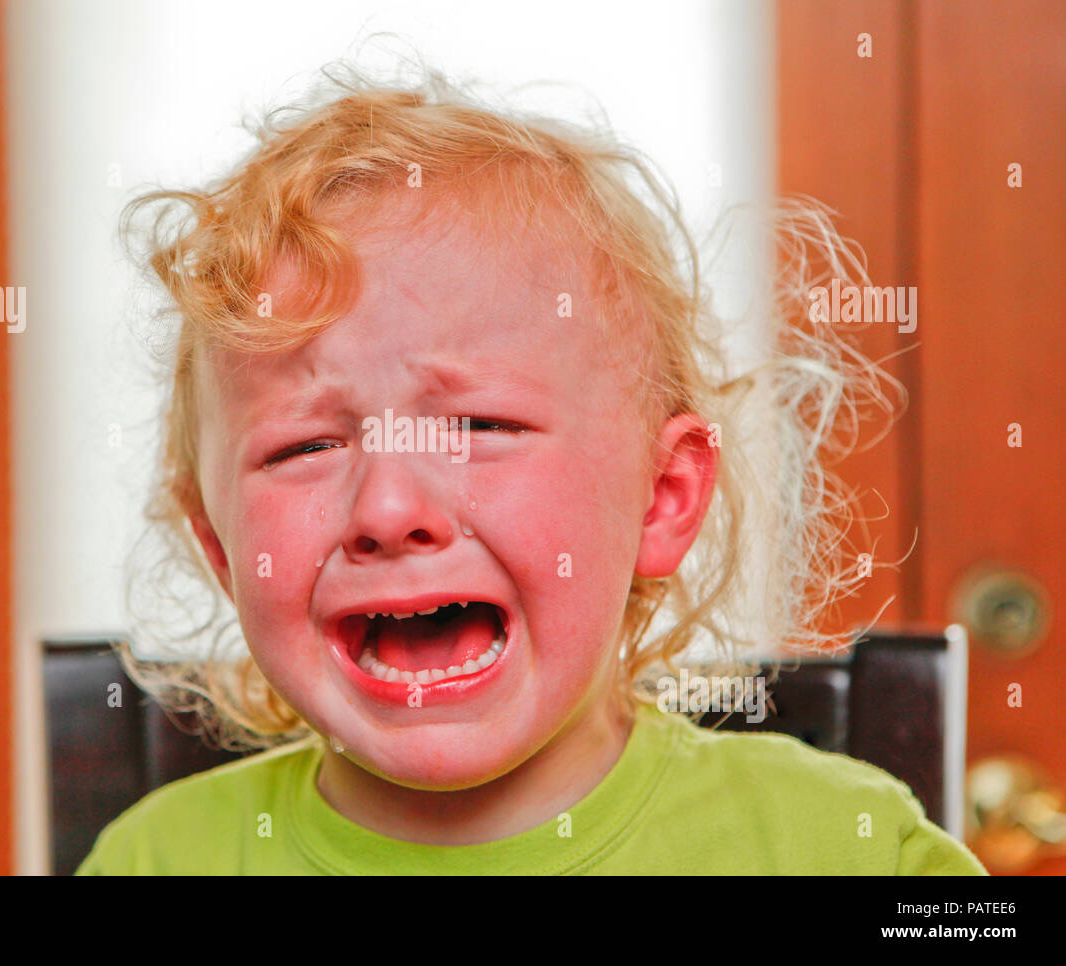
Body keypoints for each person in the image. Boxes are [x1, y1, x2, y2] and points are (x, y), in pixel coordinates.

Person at [76, 60, 985, 875]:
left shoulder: (847, 851)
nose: (388, 507)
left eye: (478, 424)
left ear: (662, 498)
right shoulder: (154, 860)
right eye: (305, 447)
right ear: (224, 551)